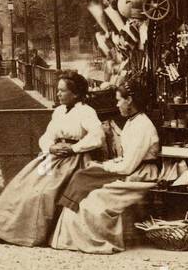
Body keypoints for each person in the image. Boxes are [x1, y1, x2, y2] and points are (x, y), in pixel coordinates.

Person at [0, 71, 104, 247]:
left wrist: (73, 148)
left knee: (43, 192)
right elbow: (46, 136)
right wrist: (50, 147)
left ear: (76, 93)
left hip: (74, 160)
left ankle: (33, 234)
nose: (58, 94)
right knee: (21, 185)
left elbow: (97, 136)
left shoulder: (85, 111)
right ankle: (4, 231)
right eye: (58, 90)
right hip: (55, 156)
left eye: (62, 91)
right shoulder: (59, 112)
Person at [51, 78, 160, 254]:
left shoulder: (143, 126)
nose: (117, 105)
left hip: (142, 176)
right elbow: (126, 160)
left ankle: (95, 241)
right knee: (83, 180)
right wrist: (103, 164)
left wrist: (104, 167)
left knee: (92, 199)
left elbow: (127, 167)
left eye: (119, 100)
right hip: (132, 170)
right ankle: (70, 240)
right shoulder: (133, 122)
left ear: (129, 101)